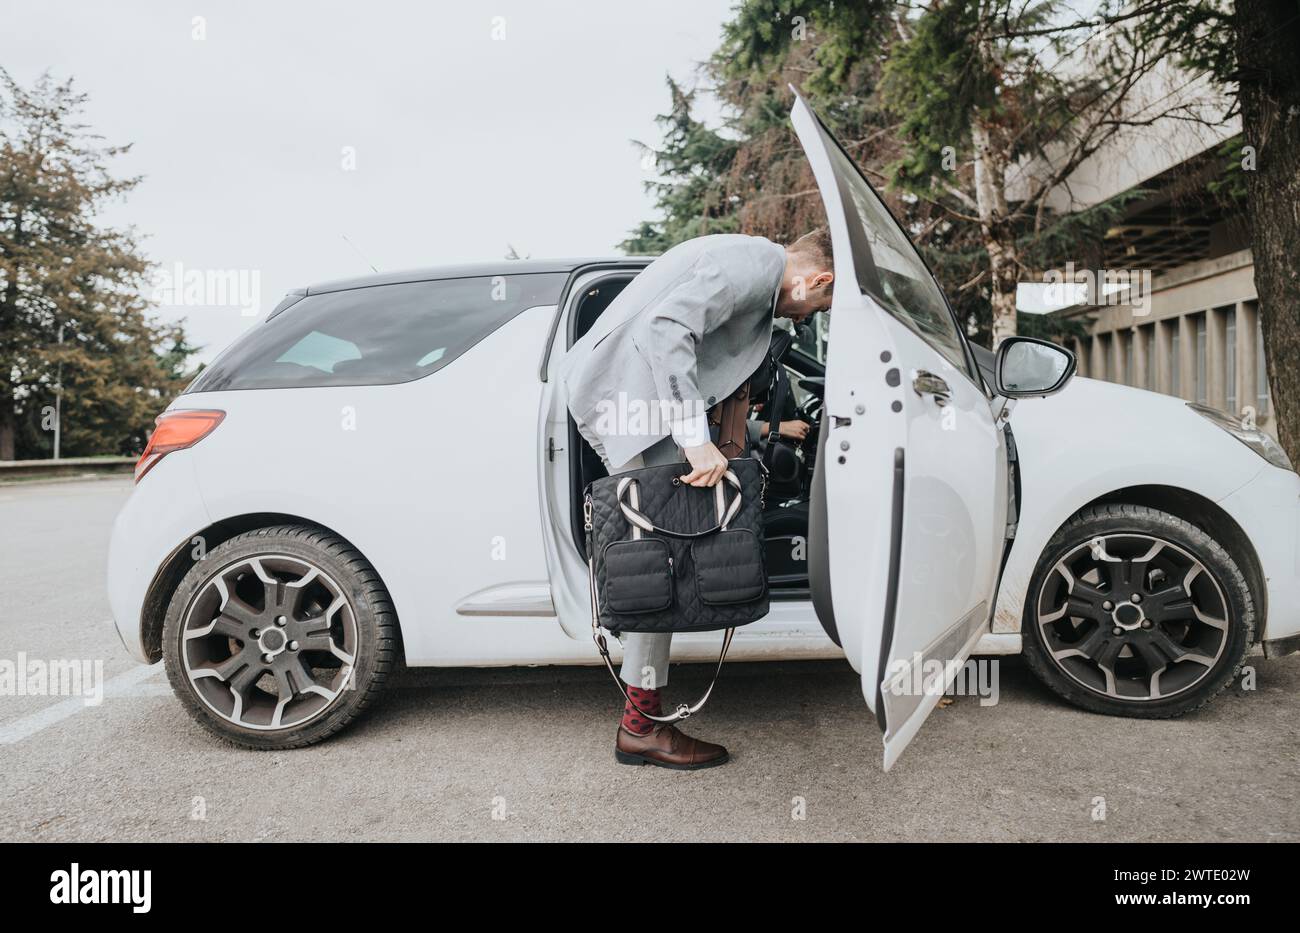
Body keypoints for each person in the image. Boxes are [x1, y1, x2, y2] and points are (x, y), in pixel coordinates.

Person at [560, 229, 834, 769]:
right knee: (656, 561)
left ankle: (641, 714)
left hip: (633, 405)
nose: (809, 316)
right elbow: (666, 329)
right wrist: (694, 439)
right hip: (631, 407)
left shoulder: (750, 262)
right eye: (821, 304)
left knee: (656, 556)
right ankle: (640, 728)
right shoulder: (749, 267)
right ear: (818, 279)